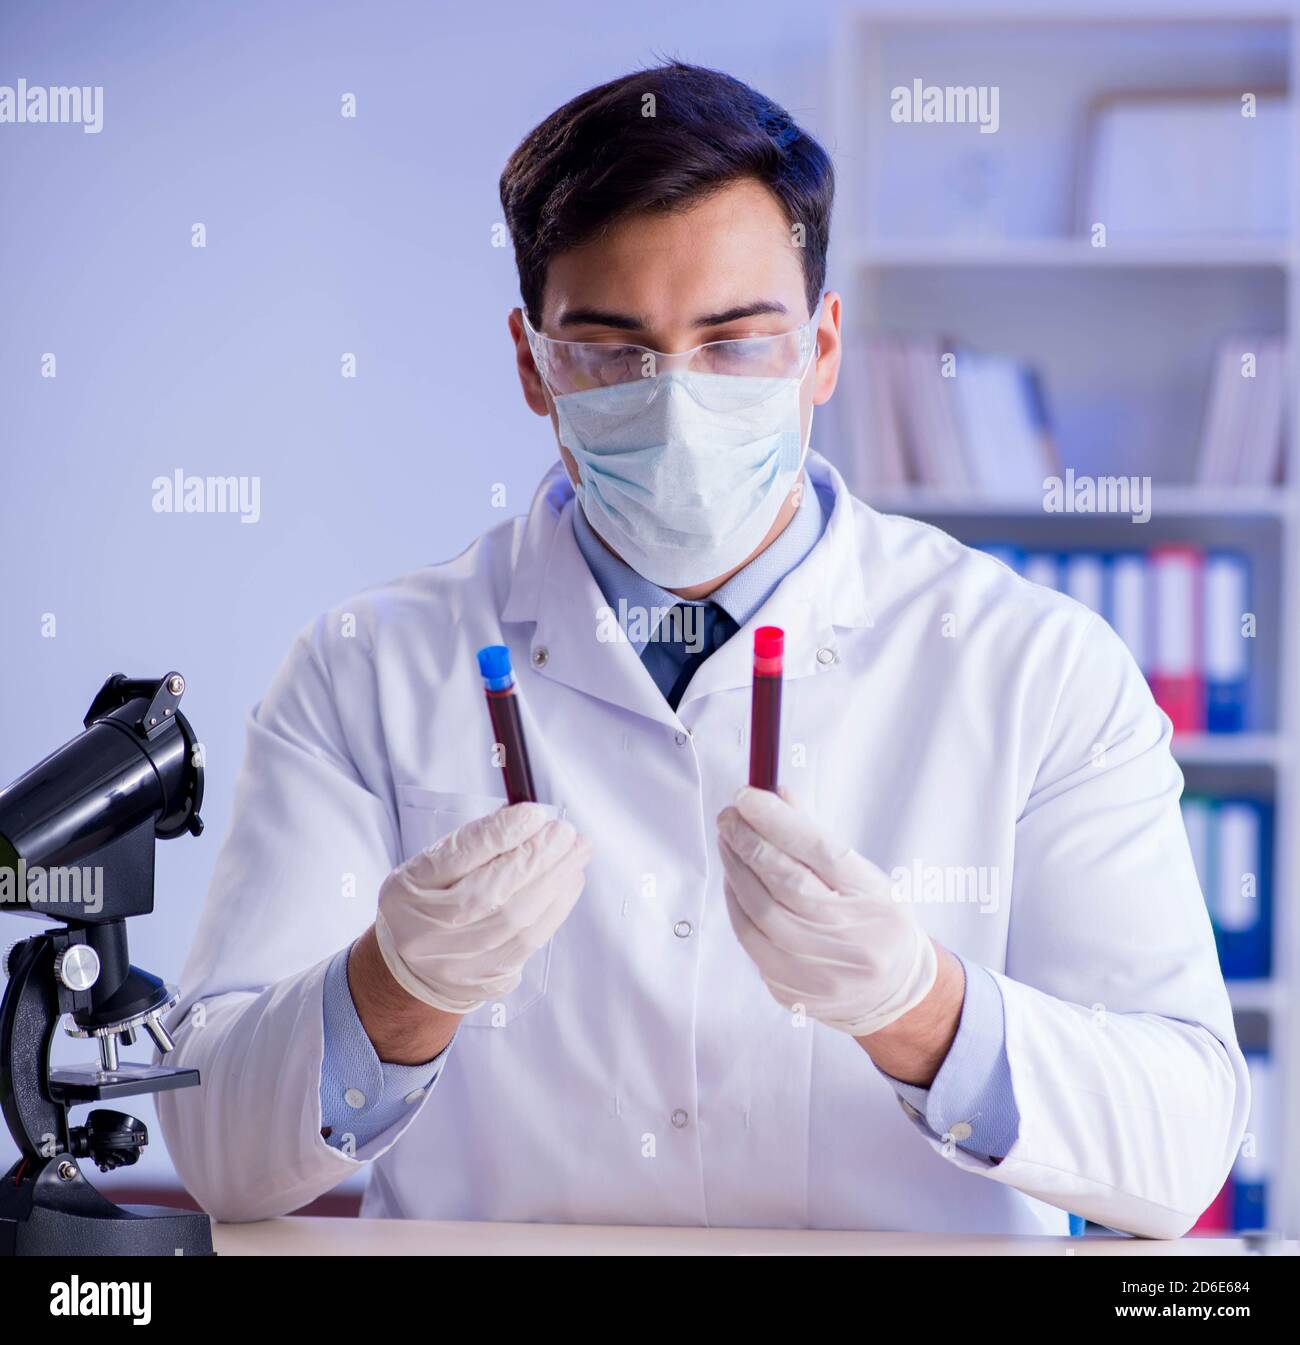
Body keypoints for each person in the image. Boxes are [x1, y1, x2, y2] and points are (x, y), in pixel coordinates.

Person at [157, 61, 1247, 1237]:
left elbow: (1181, 1147)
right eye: (614, 351)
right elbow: (220, 1153)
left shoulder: (1035, 666)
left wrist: (921, 1009)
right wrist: (392, 991)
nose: (674, 404)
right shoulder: (366, 667)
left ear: (822, 348)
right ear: (532, 363)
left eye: (735, 343)